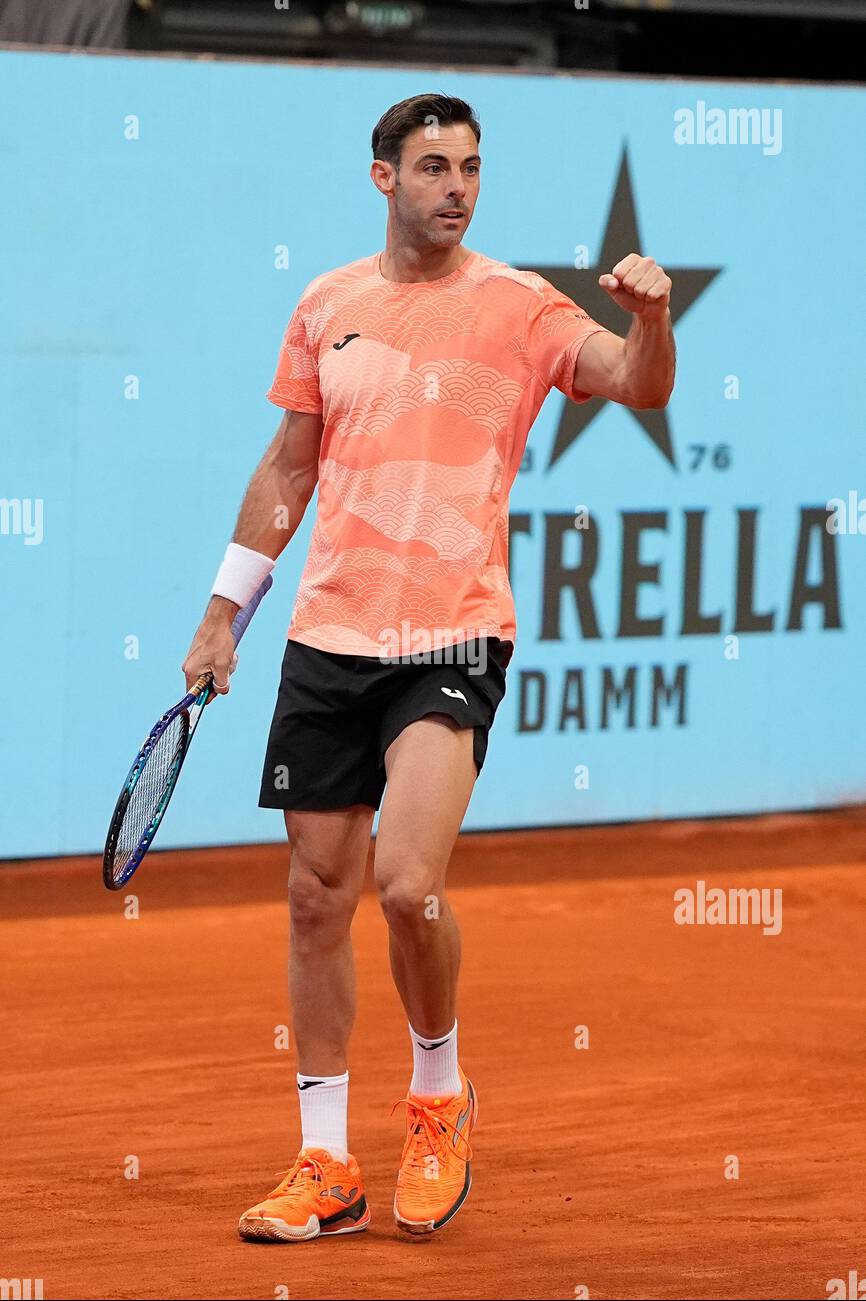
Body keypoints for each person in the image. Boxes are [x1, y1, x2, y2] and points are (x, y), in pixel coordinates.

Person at [182, 92, 675, 1242]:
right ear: (383, 178)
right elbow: (289, 468)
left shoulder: (520, 306)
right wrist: (222, 614)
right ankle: (323, 1163)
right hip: (327, 635)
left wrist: (652, 321)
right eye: (434, 167)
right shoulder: (327, 305)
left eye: (470, 168)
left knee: (406, 884)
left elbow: (636, 383)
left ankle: (439, 1096)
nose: (456, 188)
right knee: (316, 895)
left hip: (452, 634)